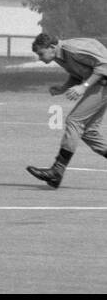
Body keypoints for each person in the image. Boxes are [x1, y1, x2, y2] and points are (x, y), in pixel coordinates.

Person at [25, 33, 107, 188]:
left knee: (74, 121)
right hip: (100, 84)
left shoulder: (73, 49)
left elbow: (104, 66)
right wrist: (63, 88)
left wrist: (84, 87)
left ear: (52, 47)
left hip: (103, 84)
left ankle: (57, 170)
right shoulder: (60, 56)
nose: (40, 58)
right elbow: (78, 74)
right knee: (89, 132)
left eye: (41, 53)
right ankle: (56, 174)